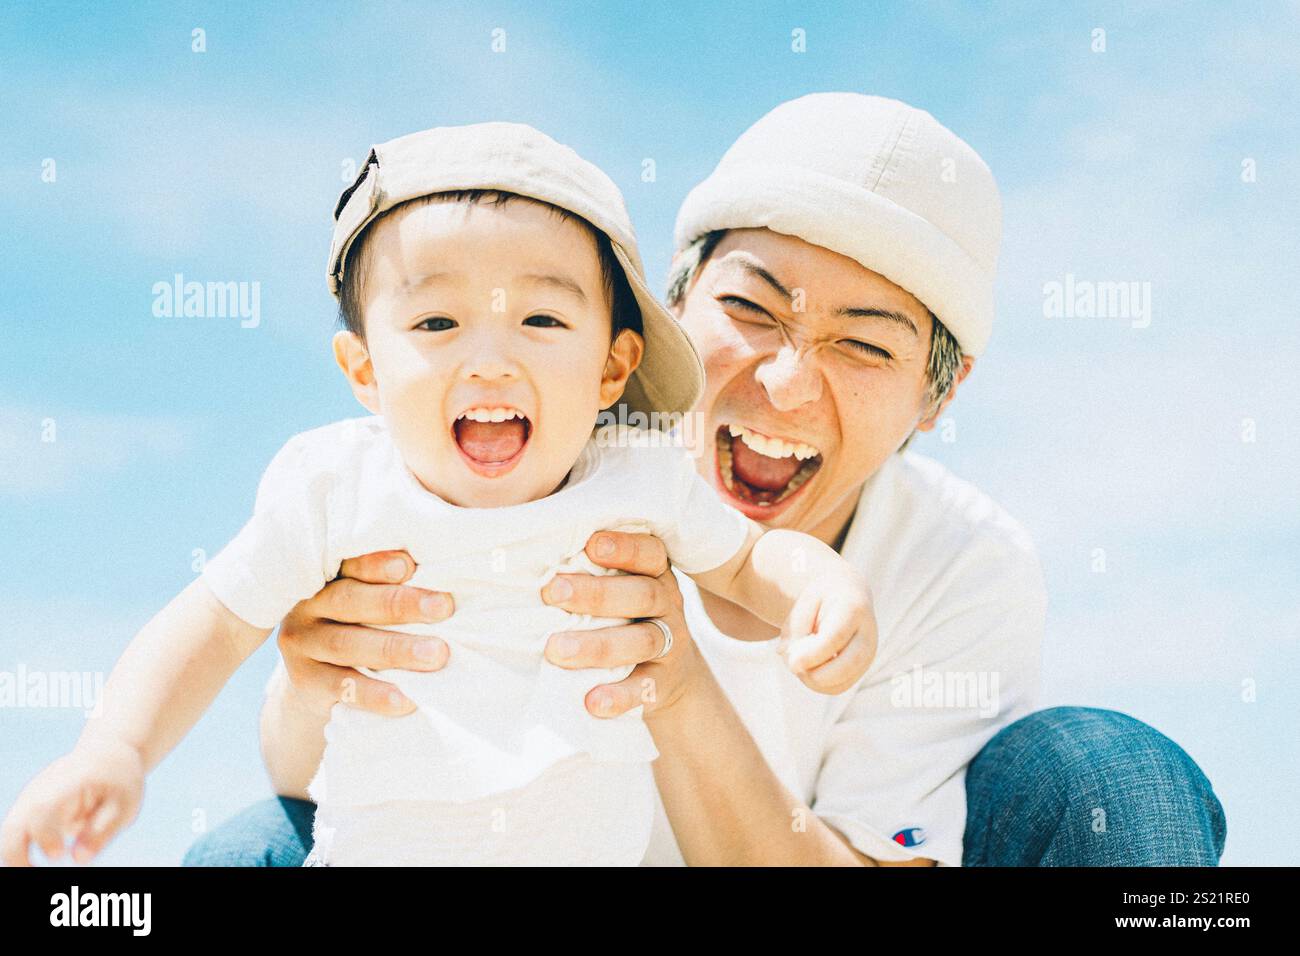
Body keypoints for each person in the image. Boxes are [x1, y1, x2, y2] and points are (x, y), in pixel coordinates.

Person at [186, 93, 1226, 867]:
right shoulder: (521, 461)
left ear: (936, 395)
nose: (784, 383)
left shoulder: (962, 562)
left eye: (864, 345)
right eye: (751, 310)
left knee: (1107, 771)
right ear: (669, 310)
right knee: (249, 850)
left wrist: (677, 684)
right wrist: (315, 679)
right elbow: (304, 780)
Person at [0, 122, 879, 868]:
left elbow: (749, 562)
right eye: (436, 322)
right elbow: (211, 625)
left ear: (613, 368)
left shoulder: (635, 481)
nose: (490, 360)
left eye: (541, 320)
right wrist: (114, 749)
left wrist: (820, 586)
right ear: (364, 371)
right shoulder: (337, 489)